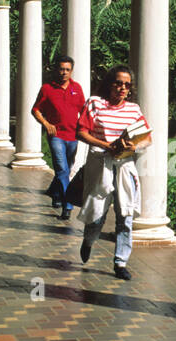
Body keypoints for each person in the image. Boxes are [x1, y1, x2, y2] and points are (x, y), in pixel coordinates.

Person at [75, 65, 152, 281]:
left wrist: (133, 146)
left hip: (125, 166)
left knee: (125, 214)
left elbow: (147, 138)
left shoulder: (134, 110)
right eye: (118, 83)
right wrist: (106, 144)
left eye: (127, 85)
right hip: (101, 164)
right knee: (97, 213)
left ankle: (120, 262)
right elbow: (80, 132)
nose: (122, 88)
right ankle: (89, 240)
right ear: (110, 83)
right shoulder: (95, 103)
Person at [31, 54, 86, 220]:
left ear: (71, 71)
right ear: (57, 70)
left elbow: (83, 111)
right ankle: (67, 205)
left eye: (67, 70)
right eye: (61, 69)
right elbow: (35, 110)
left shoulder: (77, 88)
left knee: (66, 169)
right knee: (62, 169)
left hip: (73, 135)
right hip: (56, 136)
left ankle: (55, 193)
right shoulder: (47, 89)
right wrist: (47, 124)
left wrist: (85, 129)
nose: (64, 72)